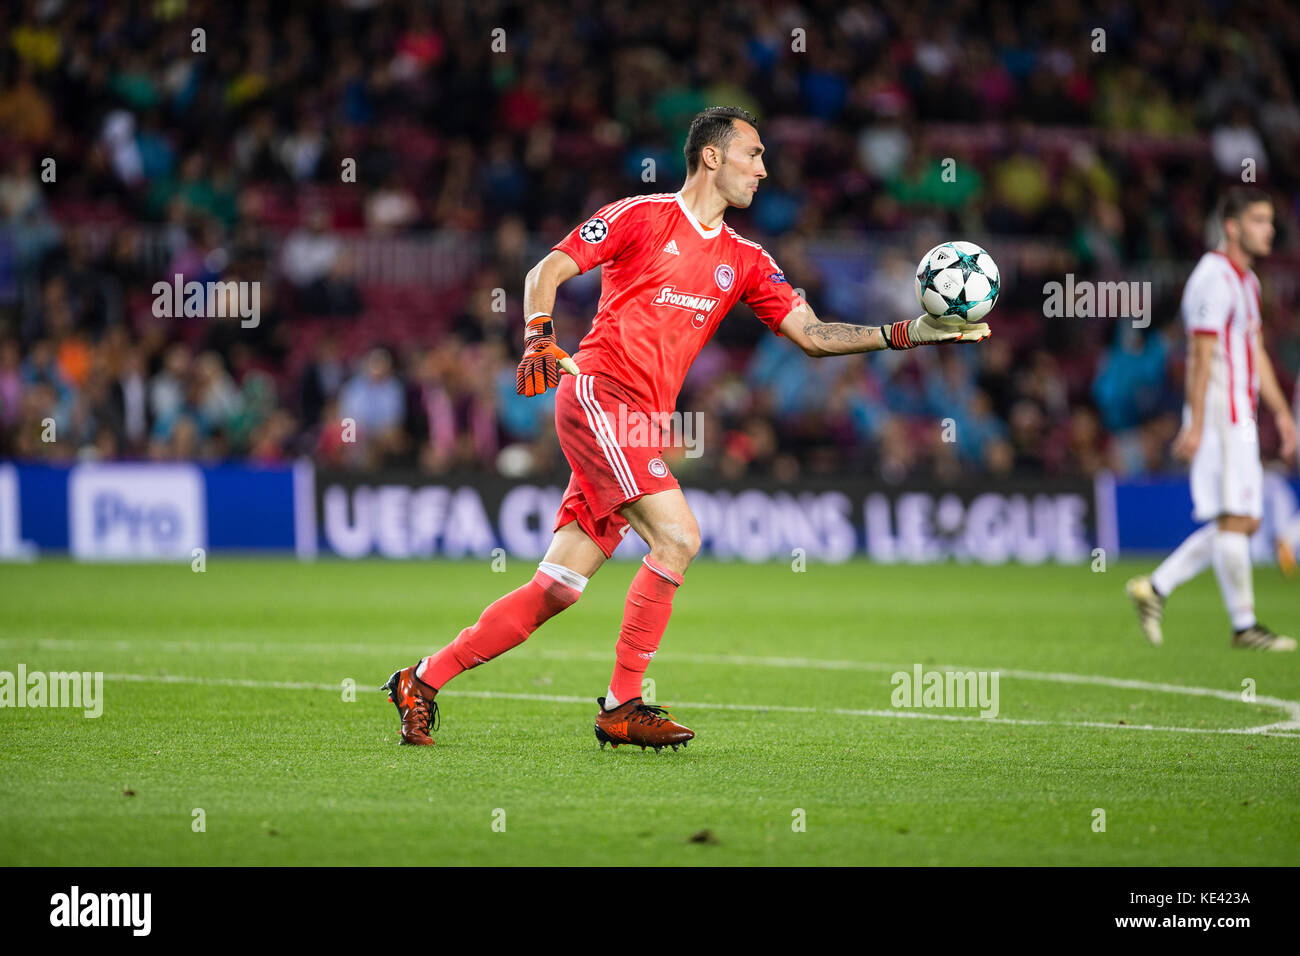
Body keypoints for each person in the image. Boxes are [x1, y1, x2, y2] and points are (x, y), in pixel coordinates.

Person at [385, 106, 989, 748]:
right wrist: (538, 334)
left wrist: (908, 333)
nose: (763, 168)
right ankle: (623, 705)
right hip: (597, 395)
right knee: (679, 538)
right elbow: (546, 271)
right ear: (711, 156)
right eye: (752, 154)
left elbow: (812, 336)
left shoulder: (747, 260)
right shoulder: (640, 217)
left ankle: (420, 680)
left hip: (638, 427)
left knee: (557, 589)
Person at [1127, 187, 1297, 651]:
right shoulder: (1212, 279)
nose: (1270, 229)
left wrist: (1282, 414)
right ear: (1232, 226)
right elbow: (1200, 357)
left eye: (1270, 221)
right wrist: (1197, 422)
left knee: (1242, 522)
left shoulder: (1248, 281)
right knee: (1236, 518)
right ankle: (1243, 626)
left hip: (1241, 415)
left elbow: (1256, 349)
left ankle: (1156, 587)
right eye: (1260, 220)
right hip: (1221, 414)